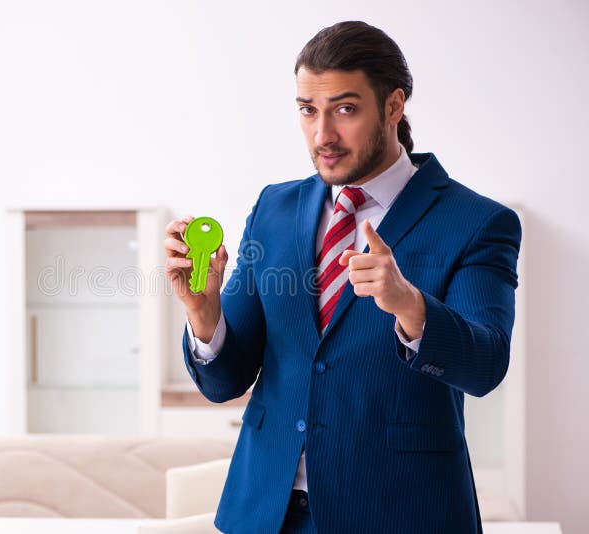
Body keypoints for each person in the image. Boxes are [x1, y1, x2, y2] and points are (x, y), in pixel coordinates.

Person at [163, 20, 521, 534]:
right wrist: (203, 313)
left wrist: (409, 305)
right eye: (308, 111)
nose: (322, 134)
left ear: (394, 106)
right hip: (266, 514)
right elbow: (226, 381)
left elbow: (486, 364)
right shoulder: (275, 208)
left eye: (345, 110)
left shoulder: (476, 222)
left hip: (401, 516)